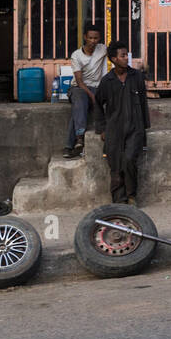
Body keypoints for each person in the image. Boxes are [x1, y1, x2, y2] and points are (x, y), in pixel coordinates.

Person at [95, 42, 151, 204]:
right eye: (123, 56)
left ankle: (132, 196)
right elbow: (98, 104)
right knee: (116, 166)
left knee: (128, 160)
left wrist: (144, 128)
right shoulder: (107, 81)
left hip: (135, 128)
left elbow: (143, 102)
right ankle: (119, 202)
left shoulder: (137, 77)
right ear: (114, 59)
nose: (126, 58)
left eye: (127, 55)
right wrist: (102, 129)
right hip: (114, 130)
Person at [63, 23, 106, 159]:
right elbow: (80, 82)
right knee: (81, 101)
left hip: (96, 87)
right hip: (78, 87)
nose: (93, 41)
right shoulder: (76, 55)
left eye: (96, 38)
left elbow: (117, 56)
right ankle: (80, 137)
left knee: (78, 109)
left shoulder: (103, 49)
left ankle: (70, 146)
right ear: (85, 37)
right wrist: (92, 97)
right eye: (90, 38)